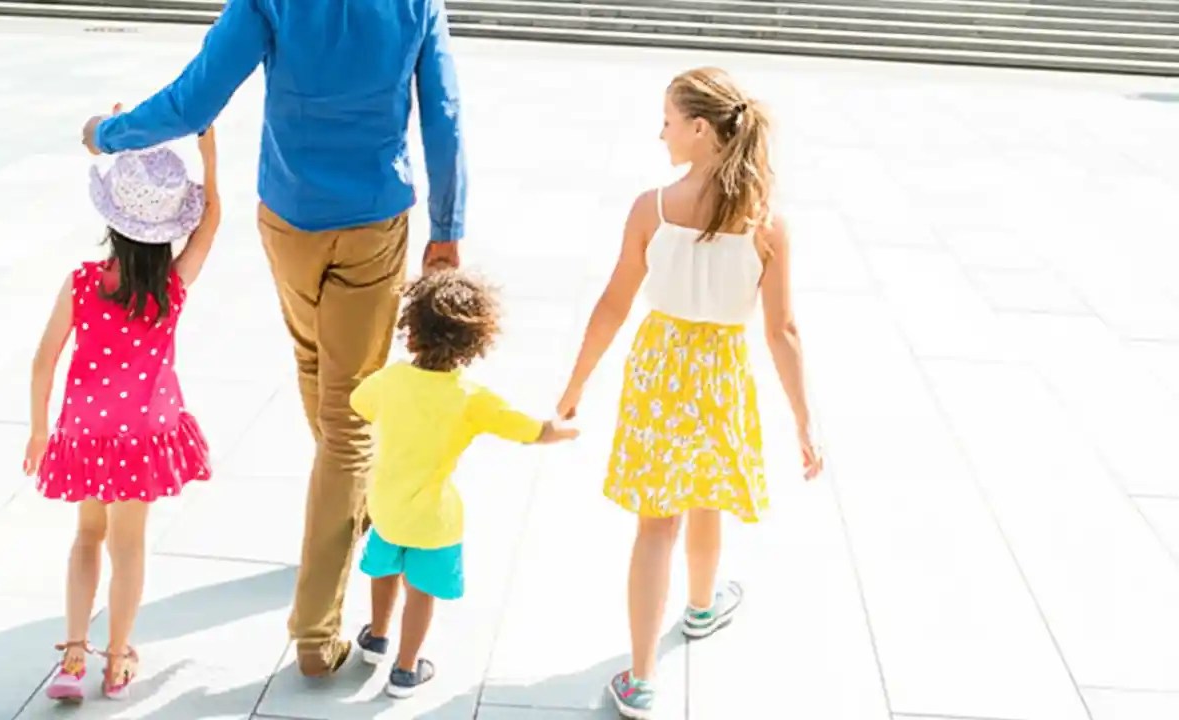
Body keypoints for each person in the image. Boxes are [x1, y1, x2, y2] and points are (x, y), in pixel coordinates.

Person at [79, 0, 467, 675]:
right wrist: (447, 224)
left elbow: (194, 99)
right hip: (376, 218)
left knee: (322, 380)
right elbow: (444, 117)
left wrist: (107, 133)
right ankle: (317, 634)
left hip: (289, 218)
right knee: (346, 416)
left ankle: (349, 522)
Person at [555, 67, 824, 719]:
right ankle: (701, 607)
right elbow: (782, 330)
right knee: (709, 493)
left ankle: (641, 679)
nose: (662, 132)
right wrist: (803, 422)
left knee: (657, 522)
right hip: (722, 370)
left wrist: (576, 383)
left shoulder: (651, 208)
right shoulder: (767, 223)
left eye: (669, 121)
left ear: (699, 129)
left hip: (659, 369)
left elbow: (614, 303)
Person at [24, 130, 221, 702]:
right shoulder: (171, 287)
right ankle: (117, 660)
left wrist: (40, 431)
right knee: (128, 544)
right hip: (142, 434)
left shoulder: (83, 283)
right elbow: (212, 221)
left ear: (110, 219)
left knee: (87, 535)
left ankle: (73, 657)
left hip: (86, 431)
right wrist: (209, 155)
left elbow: (43, 361)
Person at [349, 271, 578, 698]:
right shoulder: (471, 397)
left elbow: (357, 403)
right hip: (434, 520)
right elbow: (528, 430)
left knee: (384, 571)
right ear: (474, 344)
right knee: (421, 591)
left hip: (385, 508)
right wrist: (561, 429)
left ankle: (377, 637)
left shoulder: (390, 381)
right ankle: (405, 668)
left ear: (411, 333)